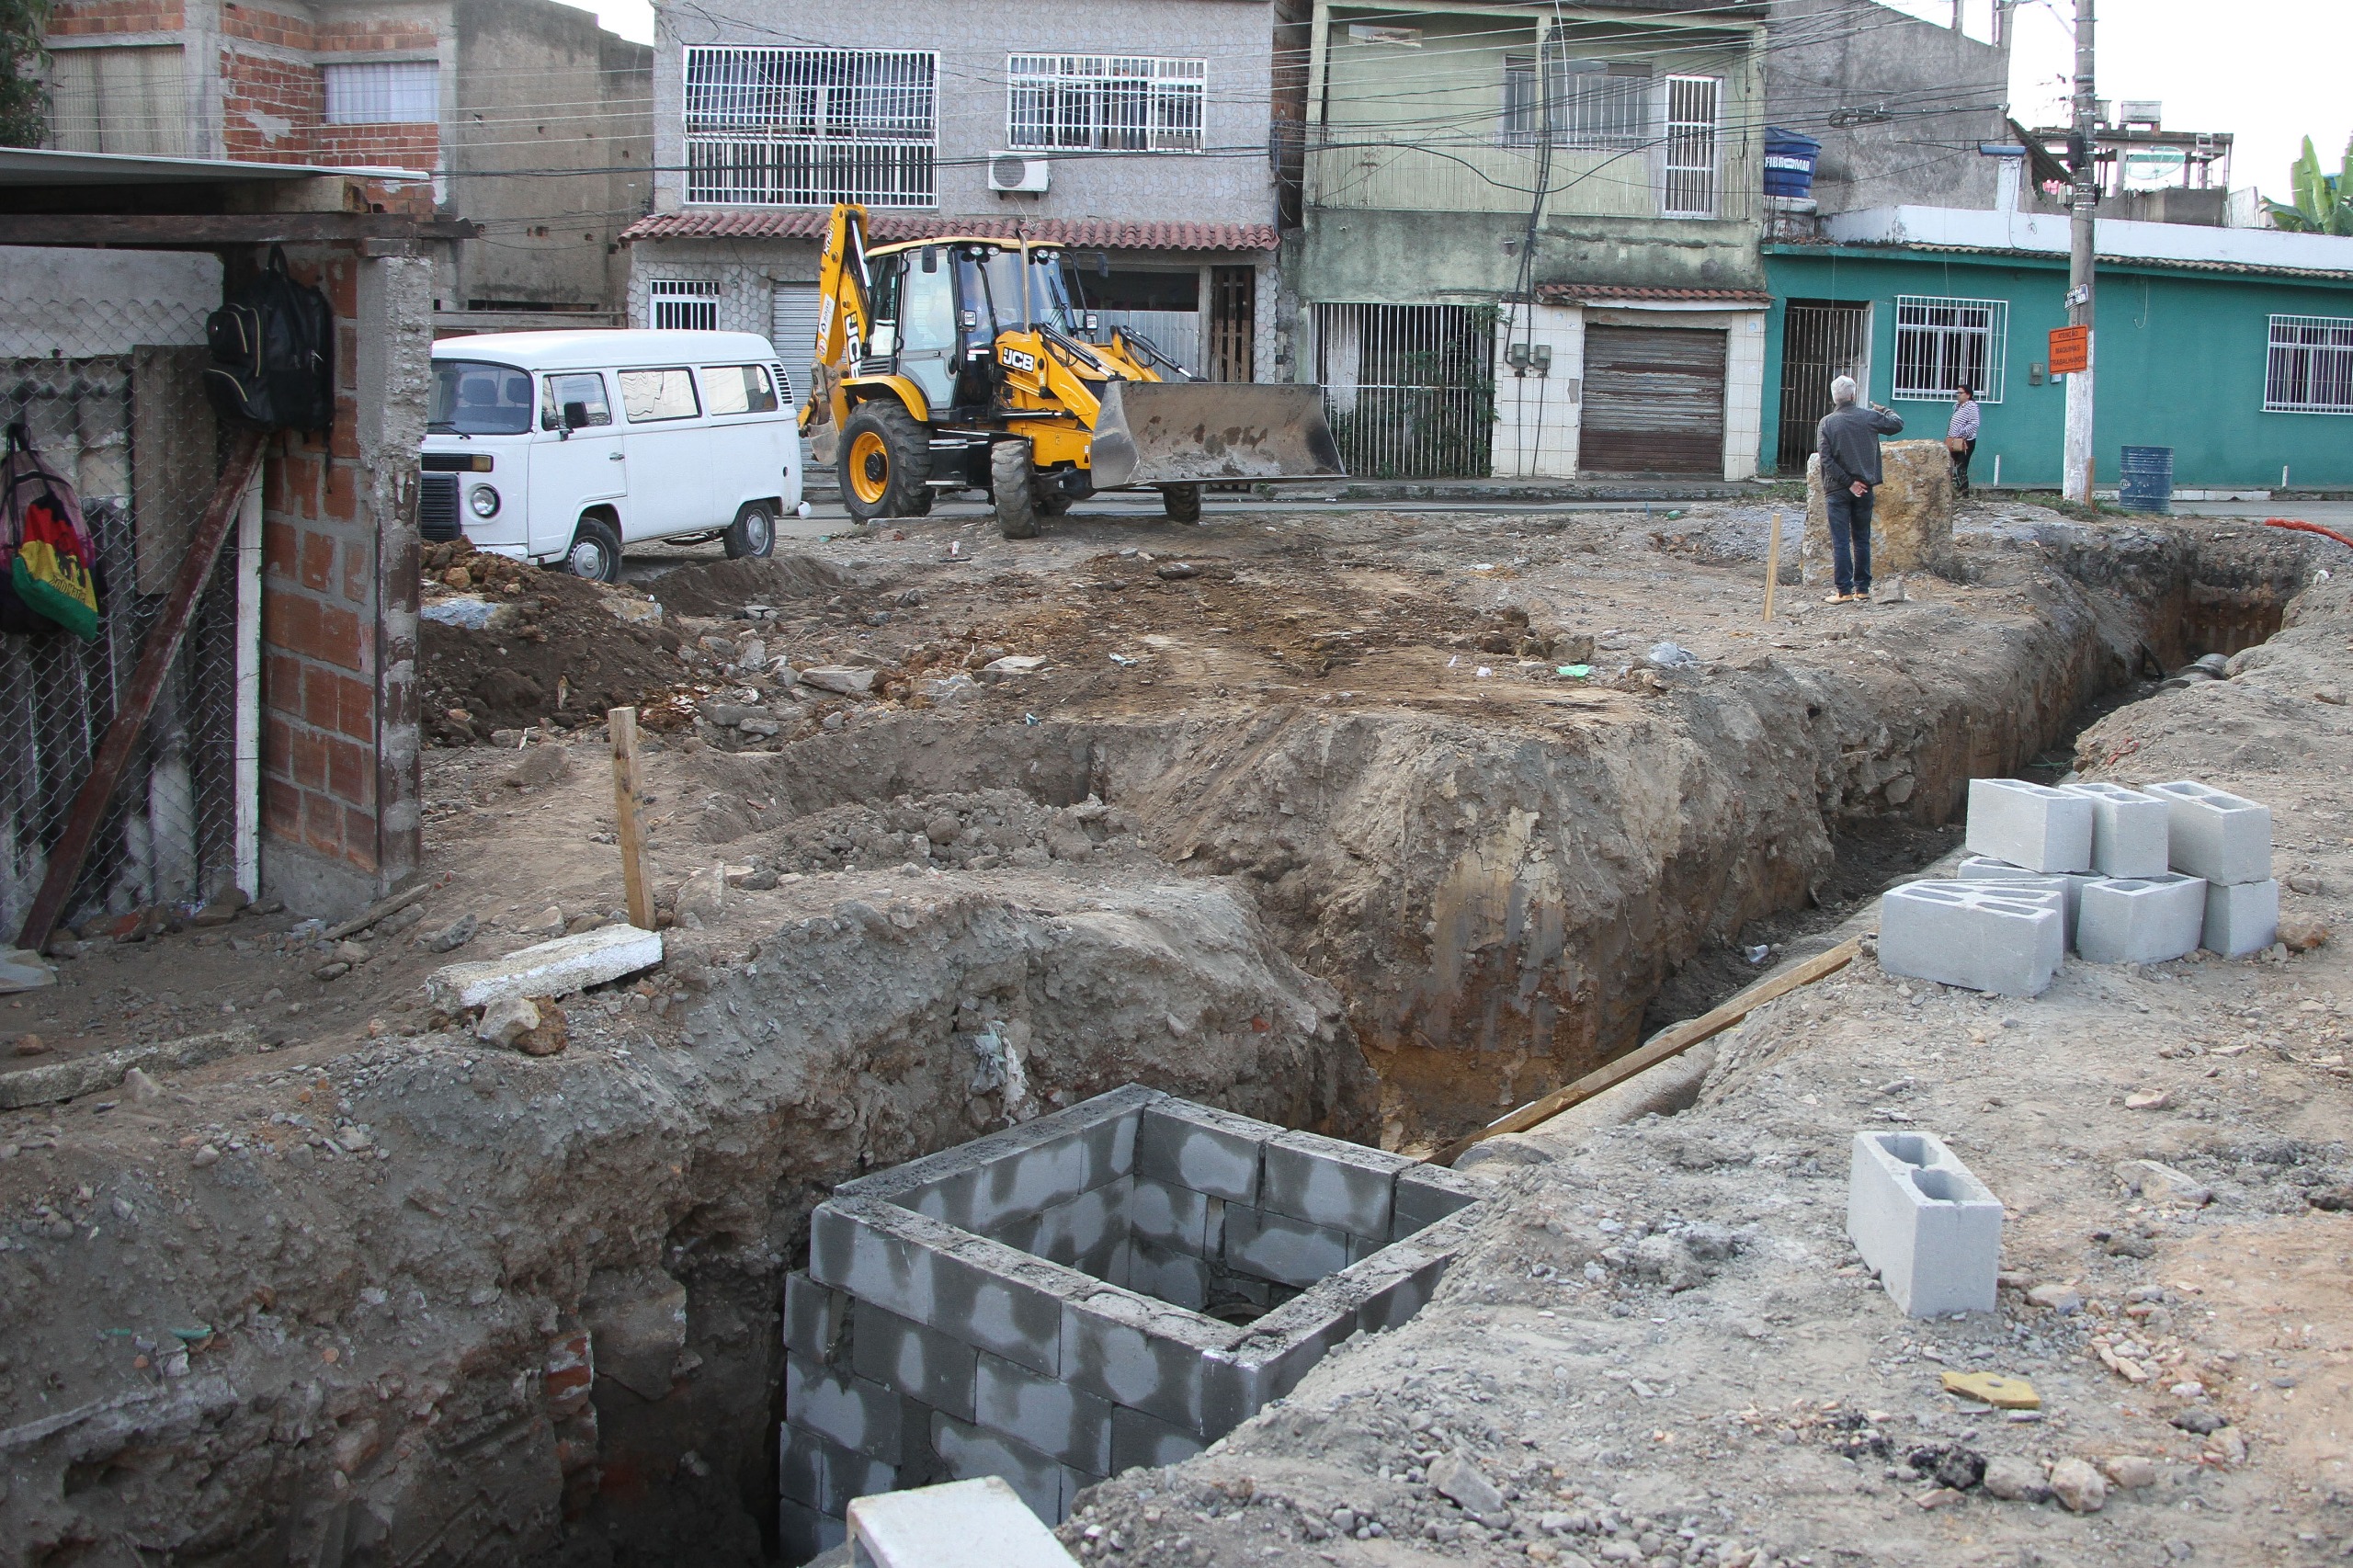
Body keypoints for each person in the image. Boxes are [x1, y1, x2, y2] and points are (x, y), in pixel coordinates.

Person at [1814, 375, 1904, 604]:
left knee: (1841, 541)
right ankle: (1862, 589)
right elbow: (1897, 424)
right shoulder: (1868, 417)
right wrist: (1885, 410)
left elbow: (1826, 459)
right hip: (1865, 488)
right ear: (1853, 395)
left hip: (1836, 489)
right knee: (1862, 538)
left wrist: (1847, 482)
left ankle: (1843, 591)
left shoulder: (1827, 423)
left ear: (1834, 397)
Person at [1947, 383, 1980, 497]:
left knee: (1961, 467)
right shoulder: (1958, 407)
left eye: (1961, 393)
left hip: (1965, 442)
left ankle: (1964, 494)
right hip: (1954, 441)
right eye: (1957, 393)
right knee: (1954, 466)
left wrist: (1961, 434)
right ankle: (1957, 491)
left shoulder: (1971, 407)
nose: (1958, 395)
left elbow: (1974, 423)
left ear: (1968, 395)